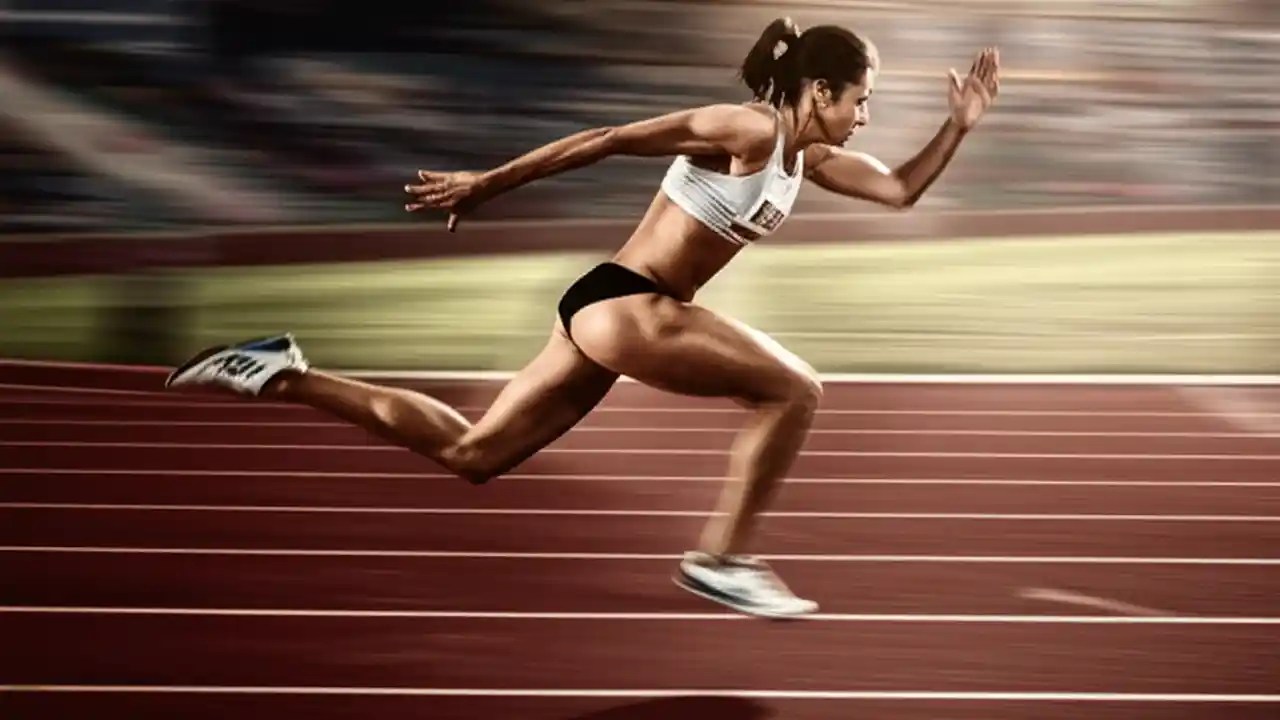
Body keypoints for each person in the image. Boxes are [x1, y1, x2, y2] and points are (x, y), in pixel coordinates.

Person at [165, 18, 1001, 618]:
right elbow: (606, 138)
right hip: (628, 303)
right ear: (818, 90)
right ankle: (722, 559)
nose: (865, 115)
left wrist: (957, 128)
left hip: (605, 311)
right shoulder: (743, 129)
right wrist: (487, 185)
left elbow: (899, 189)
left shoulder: (806, 156)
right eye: (861, 100)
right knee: (796, 390)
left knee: (473, 453)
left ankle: (282, 371)